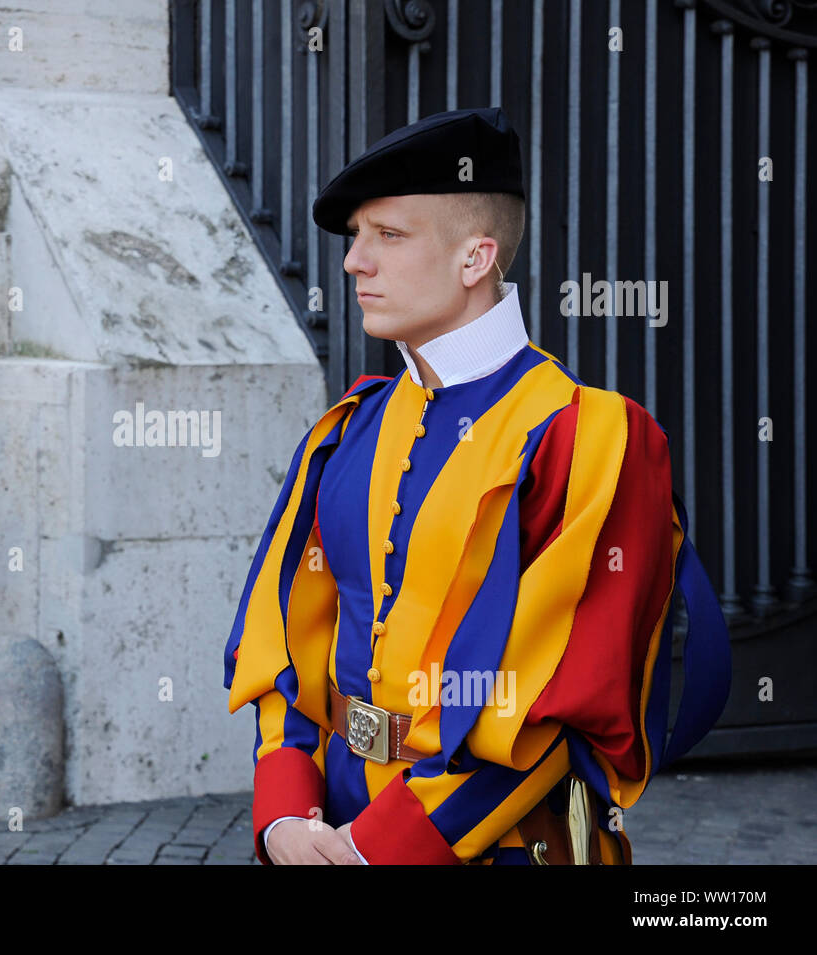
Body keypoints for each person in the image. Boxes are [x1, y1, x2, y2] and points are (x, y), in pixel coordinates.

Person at [223, 107, 731, 865]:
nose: (354, 262)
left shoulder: (587, 437)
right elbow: (286, 643)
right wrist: (286, 816)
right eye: (356, 235)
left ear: (475, 258)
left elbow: (561, 702)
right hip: (327, 828)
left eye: (388, 235)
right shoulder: (347, 429)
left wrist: (376, 850)